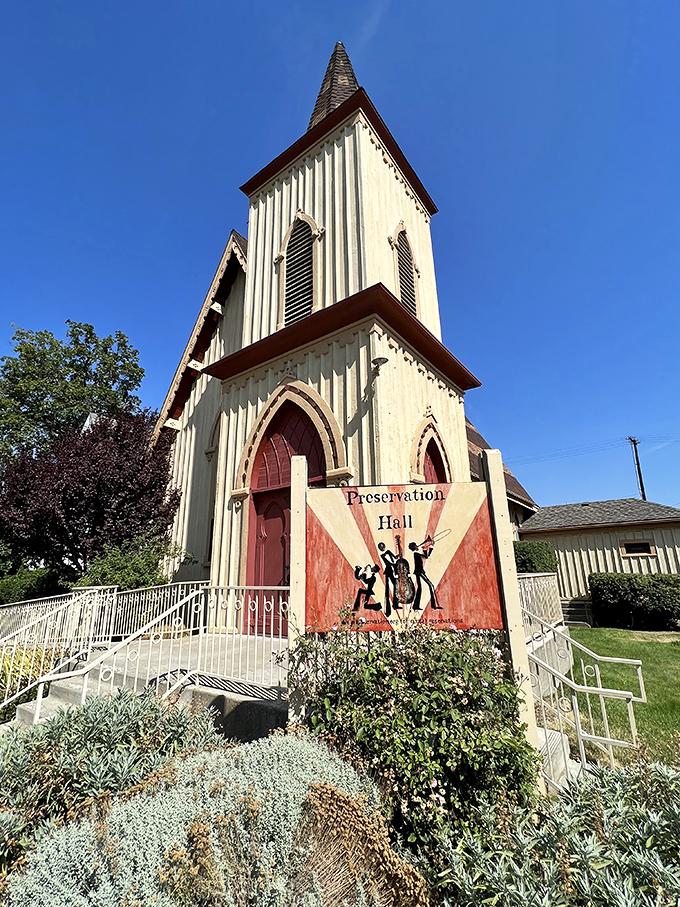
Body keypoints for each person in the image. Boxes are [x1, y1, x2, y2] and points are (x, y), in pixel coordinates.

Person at [408, 537, 441, 610]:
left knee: (420, 588)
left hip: (419, 572)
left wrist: (428, 548)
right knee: (430, 585)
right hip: (419, 572)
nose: (417, 546)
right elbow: (426, 556)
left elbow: (426, 556)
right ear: (414, 548)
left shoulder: (416, 554)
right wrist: (428, 548)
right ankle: (434, 605)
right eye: (416, 546)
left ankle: (416, 606)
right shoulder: (416, 554)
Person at [377, 542, 400, 618]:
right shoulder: (382, 555)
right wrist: (394, 565)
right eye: (381, 547)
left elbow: (395, 558)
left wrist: (398, 555)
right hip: (389, 571)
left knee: (396, 587)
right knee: (388, 588)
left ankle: (395, 604)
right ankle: (388, 608)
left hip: (392, 570)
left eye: (382, 546)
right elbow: (389, 563)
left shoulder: (388, 552)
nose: (382, 548)